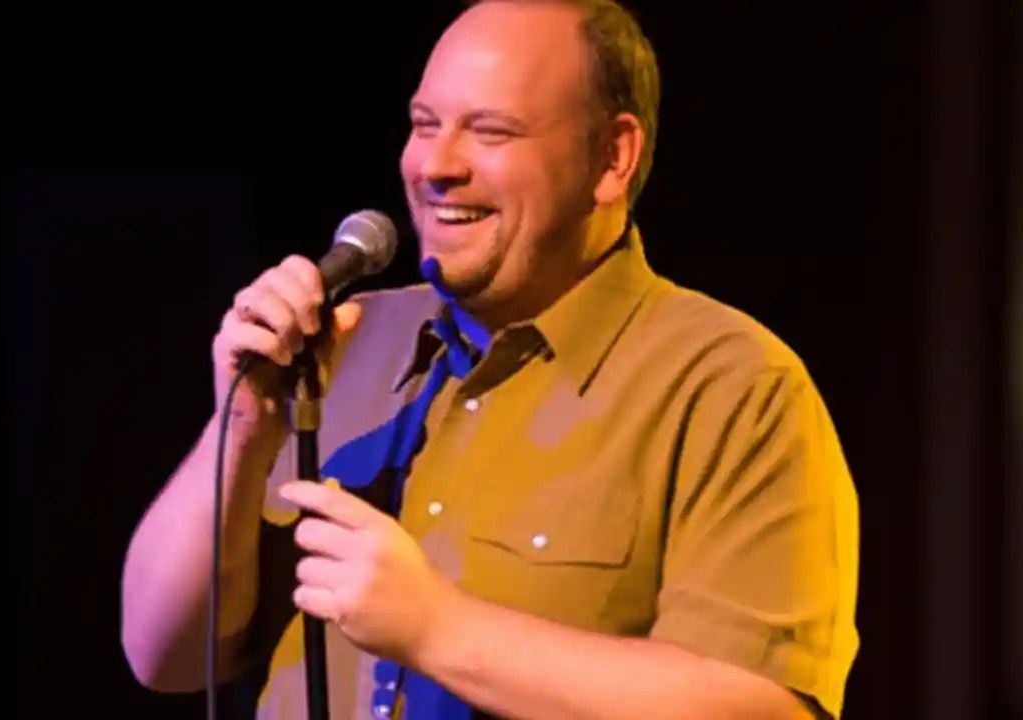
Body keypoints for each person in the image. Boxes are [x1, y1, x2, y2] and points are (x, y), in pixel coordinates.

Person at [120, 0, 861, 718]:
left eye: (491, 132)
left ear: (611, 157)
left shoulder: (730, 386)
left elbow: (759, 709)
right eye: (424, 124)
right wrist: (243, 426)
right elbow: (164, 656)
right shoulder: (334, 345)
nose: (437, 165)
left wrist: (439, 631)